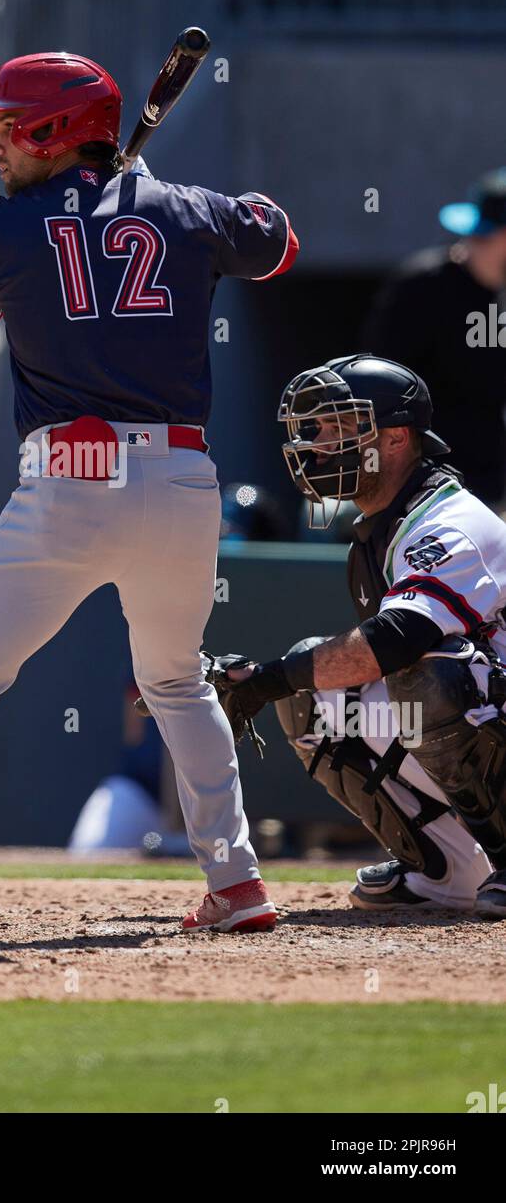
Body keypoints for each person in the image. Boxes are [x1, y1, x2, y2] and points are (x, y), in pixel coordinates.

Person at [0, 49, 299, 939]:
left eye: (10, 126)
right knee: (178, 682)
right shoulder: (180, 209)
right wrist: (158, 198)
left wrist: (90, 205)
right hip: (182, 483)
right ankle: (237, 881)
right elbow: (276, 240)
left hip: (67, 482)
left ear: (61, 132)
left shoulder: (0, 228)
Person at [203, 354, 506, 917]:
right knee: (314, 695)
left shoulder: (449, 522)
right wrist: (268, 678)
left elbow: (397, 638)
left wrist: (269, 677)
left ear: (394, 439)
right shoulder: (377, 531)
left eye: (338, 427)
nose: (316, 443)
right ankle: (444, 870)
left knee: (433, 674)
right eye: (313, 428)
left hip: (483, 698)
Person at [363, 169, 506, 509]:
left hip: (490, 481)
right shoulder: (421, 287)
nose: (478, 246)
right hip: (425, 485)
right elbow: (379, 385)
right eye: (477, 237)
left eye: (489, 237)